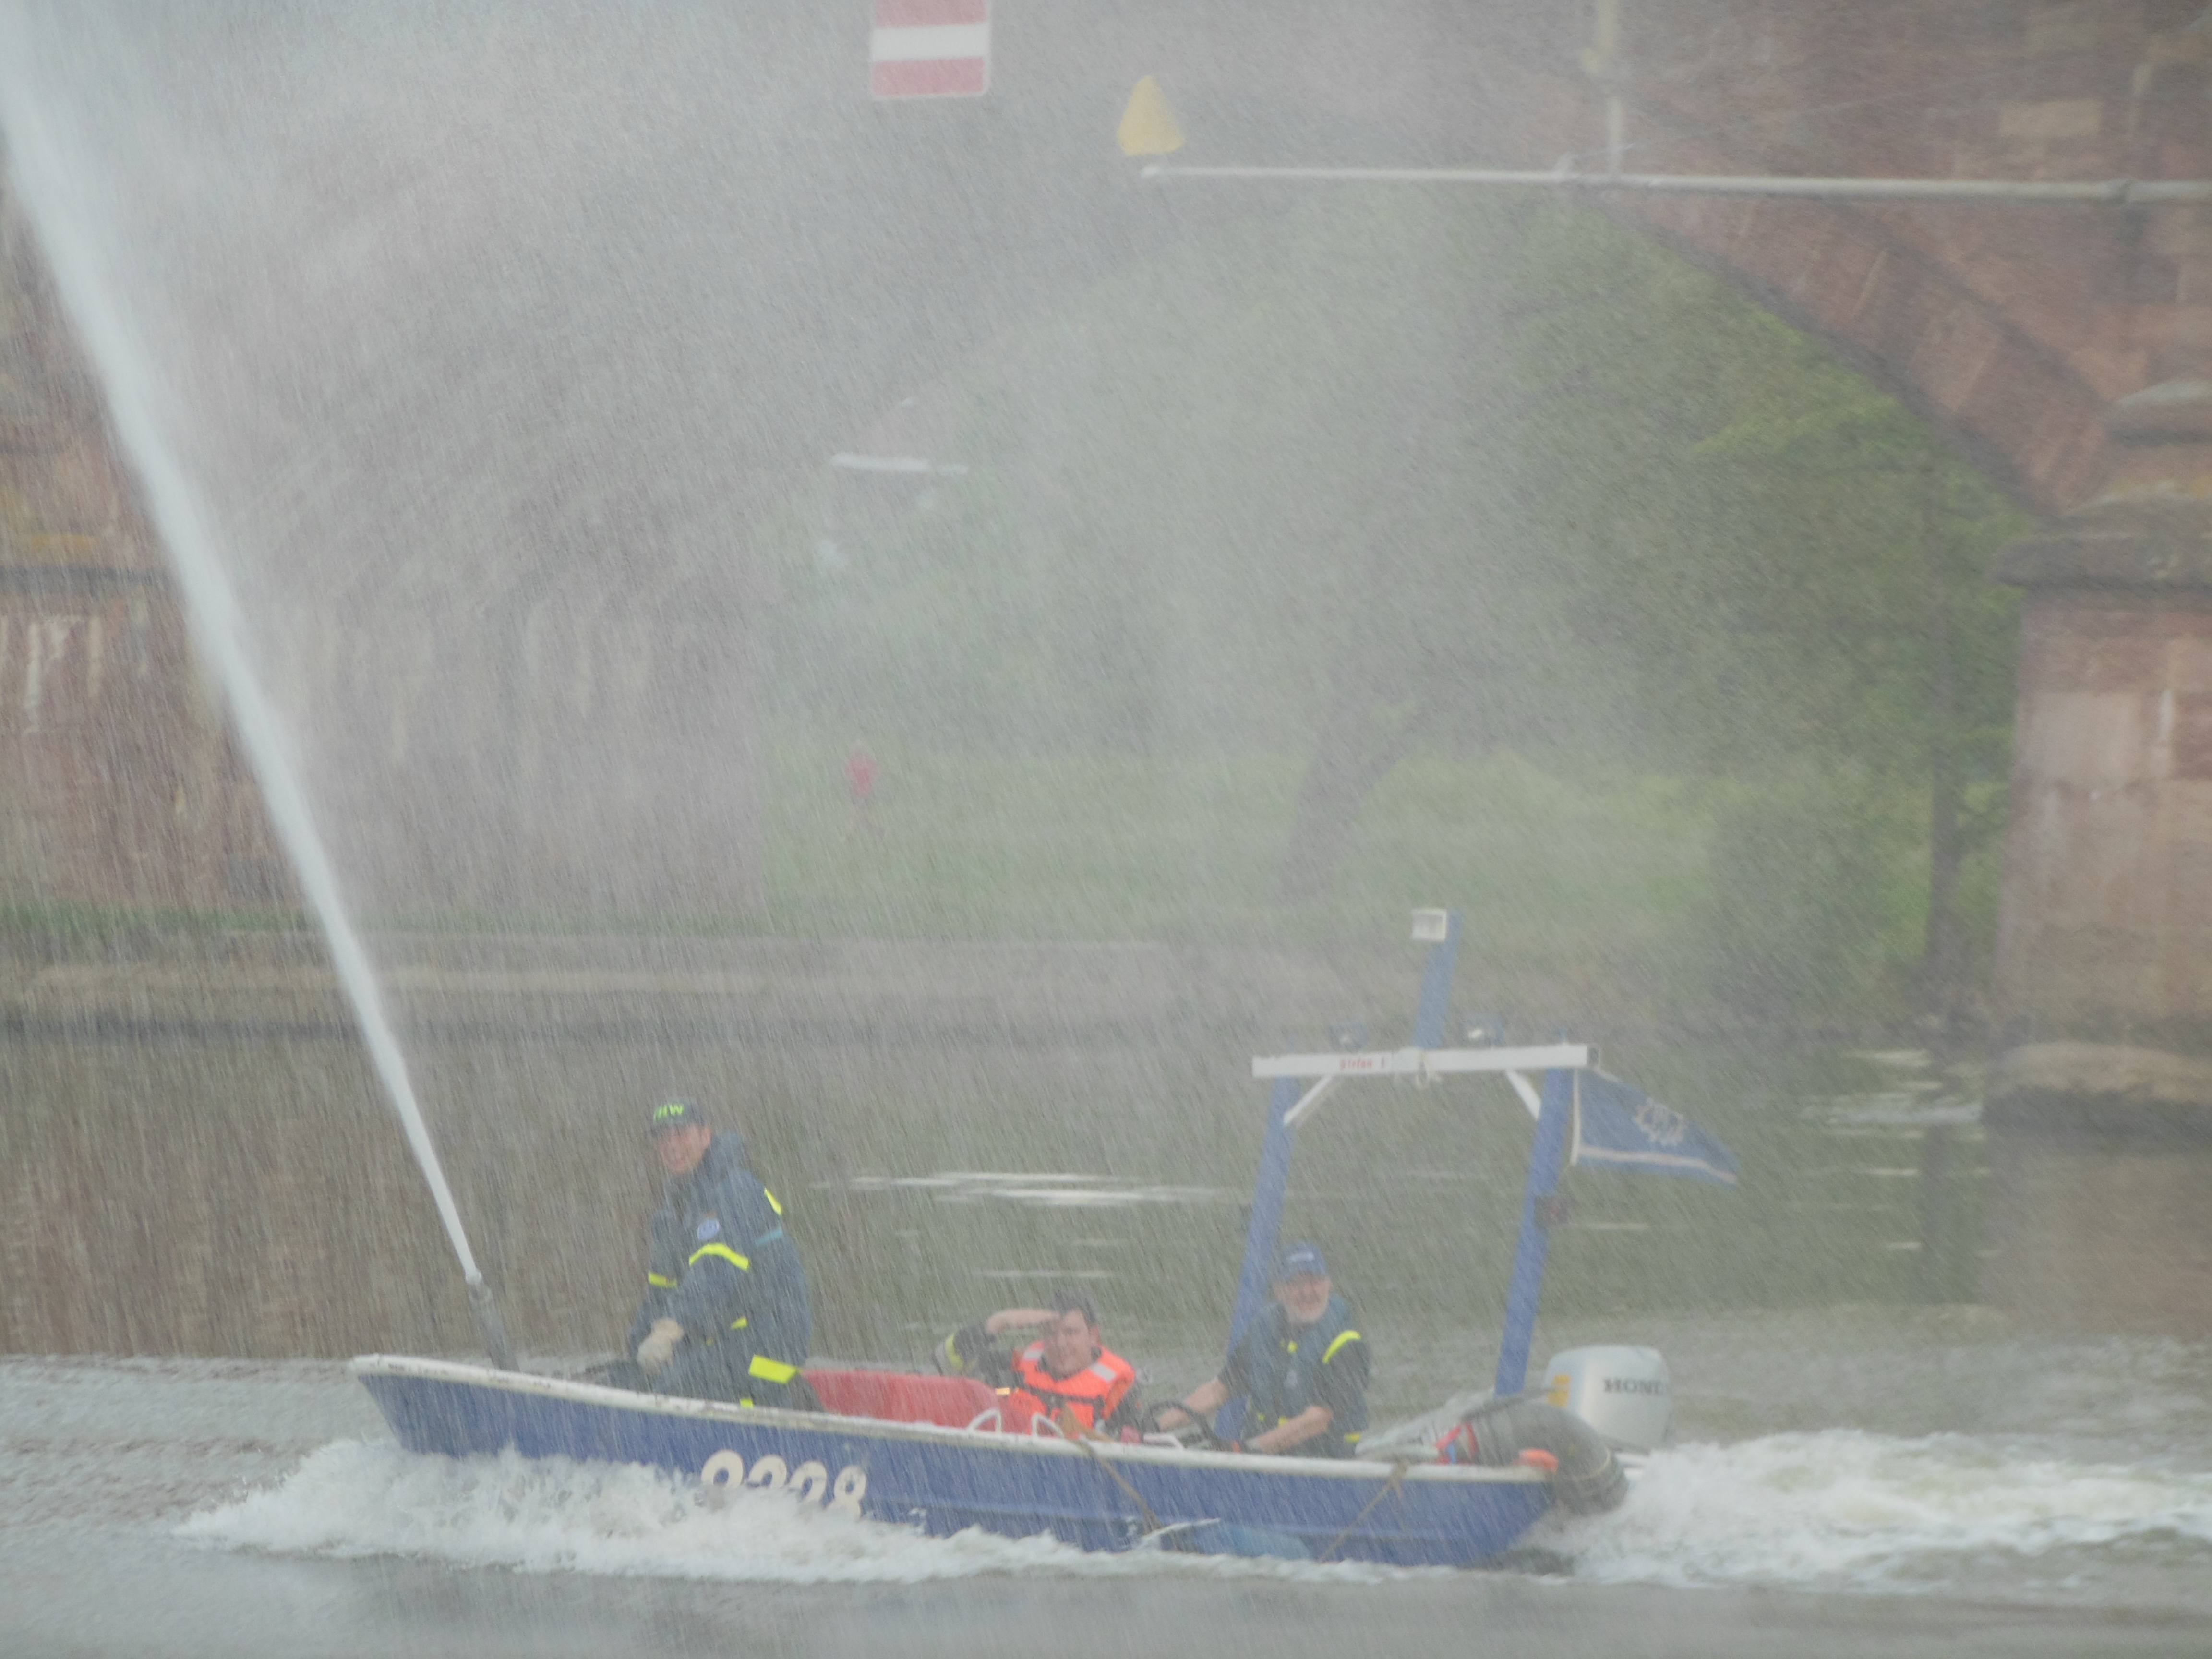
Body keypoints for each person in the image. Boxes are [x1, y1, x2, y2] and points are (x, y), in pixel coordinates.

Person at [624, 1097, 813, 1407]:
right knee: (630, 1381)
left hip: (772, 1340)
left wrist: (669, 1331)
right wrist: (638, 1351)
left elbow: (716, 1271)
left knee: (679, 1386)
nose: (671, 1145)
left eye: (682, 1133)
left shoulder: (736, 1190)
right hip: (722, 1340)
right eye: (663, 1137)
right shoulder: (671, 1216)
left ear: (706, 1136)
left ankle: (773, 1411)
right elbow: (659, 1295)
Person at [1151, 1242, 1368, 1456]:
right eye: (1296, 1283)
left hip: (1320, 1467)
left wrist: (1250, 1449)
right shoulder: (1264, 1332)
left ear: (1328, 1284)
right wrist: (1153, 1430)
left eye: (1314, 1281)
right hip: (1264, 1462)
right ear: (1279, 1291)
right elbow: (1218, 1391)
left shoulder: (1347, 1344)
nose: (1307, 1292)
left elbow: (1318, 1419)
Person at [935, 1287, 1143, 1436]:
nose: (1060, 1343)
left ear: (1093, 1335)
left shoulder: (1117, 1390)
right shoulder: (1019, 1367)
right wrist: (998, 1323)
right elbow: (945, 1362)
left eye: (1071, 1333)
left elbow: (1133, 1442)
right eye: (1051, 1333)